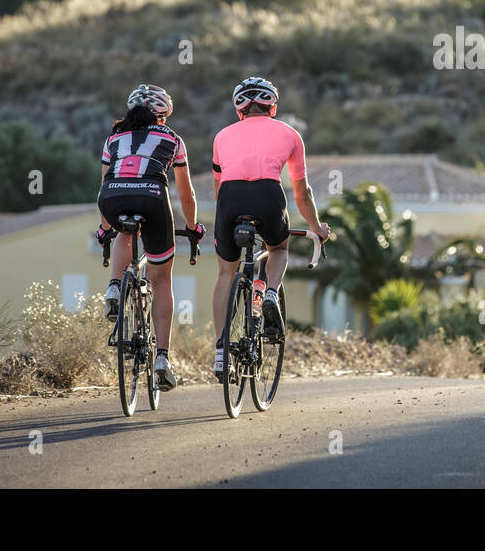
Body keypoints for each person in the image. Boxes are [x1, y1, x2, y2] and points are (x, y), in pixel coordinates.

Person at [211, 76, 329, 376]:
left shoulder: (222, 136)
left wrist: (229, 216)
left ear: (240, 110)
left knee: (226, 272)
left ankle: (221, 352)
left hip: (229, 199)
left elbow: (218, 187)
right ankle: (271, 293)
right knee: (279, 247)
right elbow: (302, 193)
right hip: (268, 195)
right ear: (272, 107)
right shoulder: (290, 135)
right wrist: (317, 227)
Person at [95, 83, 202, 391]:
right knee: (162, 281)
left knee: (121, 232)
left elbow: (104, 184)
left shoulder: (113, 137)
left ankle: (114, 288)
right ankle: (162, 360)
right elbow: (186, 194)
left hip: (112, 198)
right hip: (152, 198)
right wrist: (194, 226)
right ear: (163, 116)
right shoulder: (172, 139)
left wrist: (104, 228)